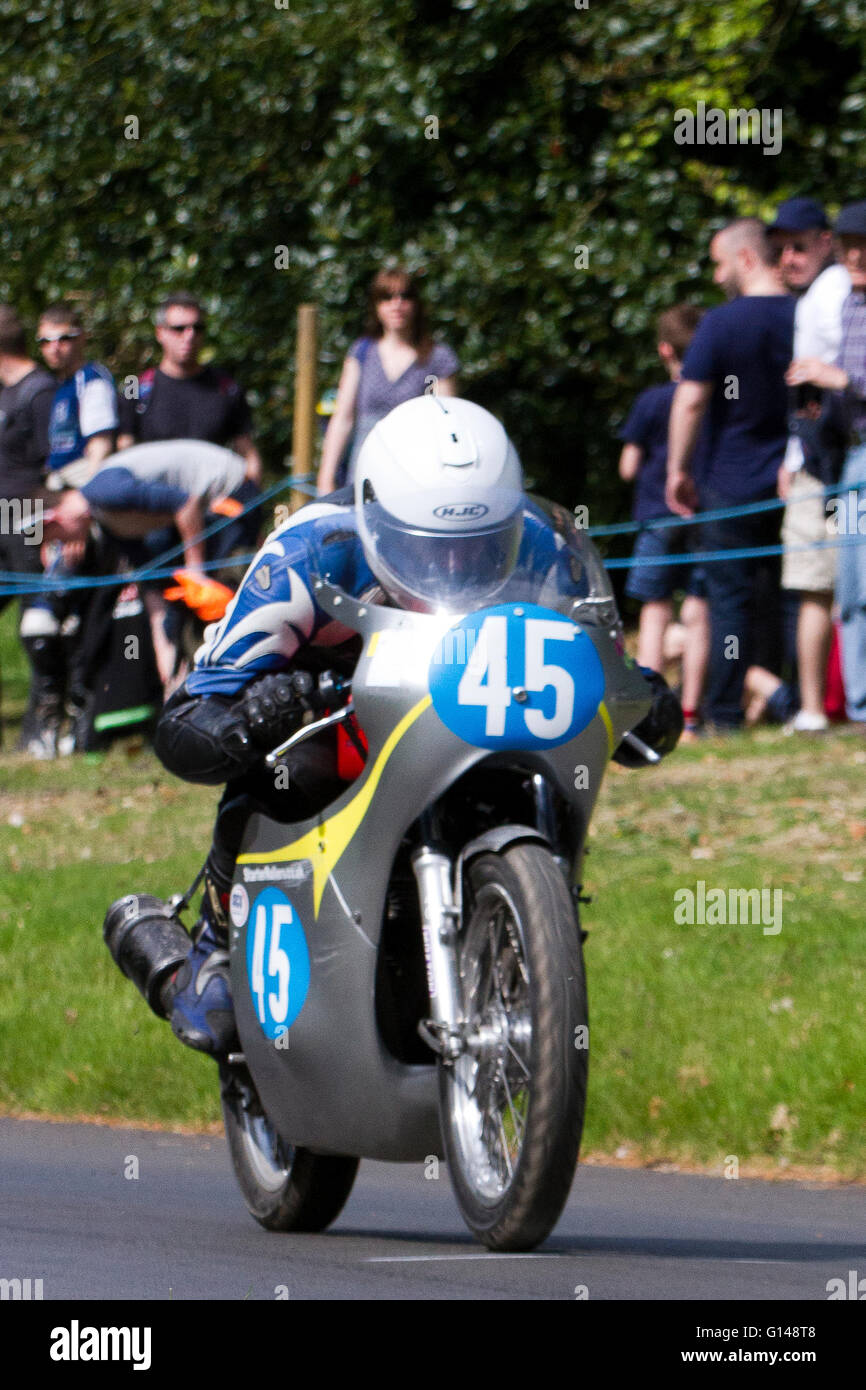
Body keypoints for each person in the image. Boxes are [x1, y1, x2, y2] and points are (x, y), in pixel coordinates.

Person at [103, 395, 682, 1058]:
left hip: (479, 738)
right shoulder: (309, 554)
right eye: (431, 550)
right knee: (220, 1006)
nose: (457, 571)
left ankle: (527, 936)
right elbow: (188, 717)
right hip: (342, 731)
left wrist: (641, 697)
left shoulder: (547, 550)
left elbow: (605, 672)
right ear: (375, 519)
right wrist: (252, 717)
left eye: (482, 548)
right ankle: (206, 949)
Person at [666, 218, 795, 731]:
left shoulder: (721, 323)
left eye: (720, 262)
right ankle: (797, 700)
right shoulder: (804, 314)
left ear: (746, 259)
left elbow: (691, 398)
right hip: (795, 479)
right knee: (789, 596)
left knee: (729, 603)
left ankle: (723, 713)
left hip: (728, 482)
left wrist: (677, 469)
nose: (717, 275)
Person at [39, 440, 251, 692]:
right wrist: (165, 654)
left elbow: (186, 504)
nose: (64, 546)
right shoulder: (109, 523)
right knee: (182, 610)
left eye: (57, 538)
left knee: (220, 595)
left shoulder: (106, 491)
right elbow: (153, 583)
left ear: (58, 517)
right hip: (206, 508)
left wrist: (196, 571)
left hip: (230, 488)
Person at [769, 197, 851, 733]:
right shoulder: (813, 297)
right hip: (814, 460)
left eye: (800, 245)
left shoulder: (842, 288)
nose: (789, 259)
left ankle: (822, 707)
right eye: (782, 250)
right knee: (812, 585)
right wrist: (792, 456)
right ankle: (814, 708)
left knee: (826, 585)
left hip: (842, 461)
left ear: (827, 239)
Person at [788, 201, 866, 728]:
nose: (854, 256)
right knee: (853, 588)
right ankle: (861, 707)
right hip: (854, 460)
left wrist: (844, 381)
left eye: (864, 246)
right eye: (846, 246)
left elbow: (852, 379)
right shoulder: (847, 304)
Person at [618, 305, 710, 740]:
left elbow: (627, 466)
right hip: (705, 513)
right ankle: (690, 715)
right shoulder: (710, 400)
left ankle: (648, 715)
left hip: (656, 515)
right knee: (698, 608)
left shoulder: (651, 401)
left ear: (664, 350)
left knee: (654, 611)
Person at [316, 267, 459, 495]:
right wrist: (326, 479)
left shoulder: (437, 358)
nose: (396, 304)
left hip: (419, 480)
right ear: (376, 306)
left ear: (416, 304)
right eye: (387, 297)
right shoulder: (361, 352)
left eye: (405, 296)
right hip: (364, 478)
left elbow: (447, 425)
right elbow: (342, 419)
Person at [117, 293, 262, 487]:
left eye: (198, 328)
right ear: (160, 333)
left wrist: (250, 500)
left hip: (213, 505)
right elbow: (124, 452)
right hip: (152, 504)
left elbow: (247, 453)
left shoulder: (227, 388)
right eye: (179, 328)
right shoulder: (135, 387)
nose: (189, 335)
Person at [0, 306, 57, 752]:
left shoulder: (39, 393)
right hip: (3, 519)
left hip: (29, 518)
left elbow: (55, 466)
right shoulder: (7, 391)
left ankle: (43, 724)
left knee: (38, 624)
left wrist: (49, 526)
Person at [38, 305, 118, 488]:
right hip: (60, 479)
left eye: (64, 339)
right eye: (45, 341)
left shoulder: (91, 379)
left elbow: (101, 445)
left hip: (83, 479)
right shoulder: (59, 385)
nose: (54, 348)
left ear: (82, 338)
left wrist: (88, 496)